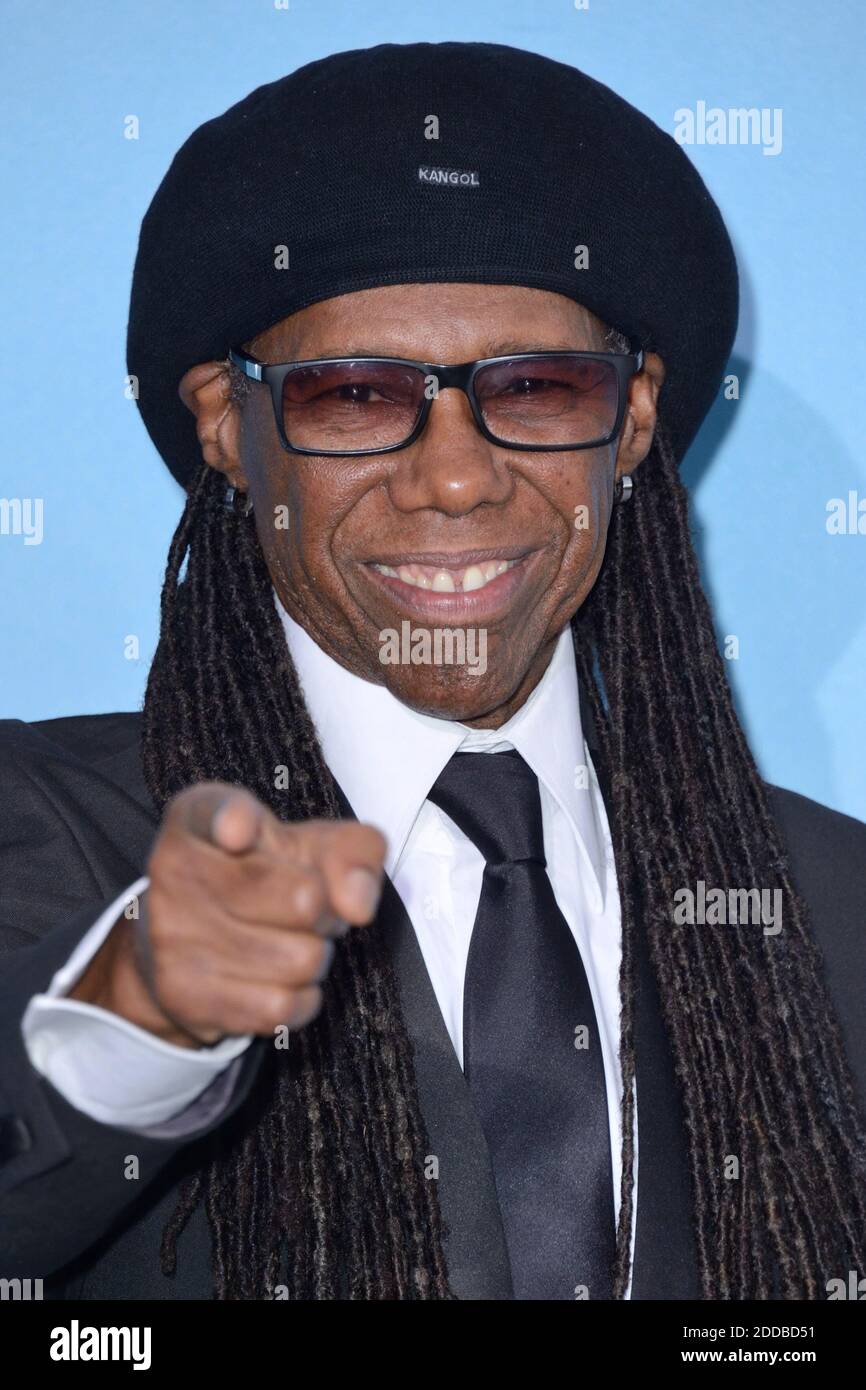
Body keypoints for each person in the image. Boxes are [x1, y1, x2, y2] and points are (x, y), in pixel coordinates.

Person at [1, 41, 864, 1302]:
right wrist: (136, 1013)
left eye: (537, 387)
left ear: (627, 422)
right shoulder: (38, 826)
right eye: (353, 395)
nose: (454, 476)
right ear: (223, 428)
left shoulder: (829, 903)